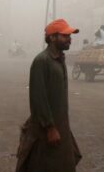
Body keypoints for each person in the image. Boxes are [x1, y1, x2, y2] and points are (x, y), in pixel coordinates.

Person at [16, 19, 82, 172]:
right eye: (65, 36)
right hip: (47, 129)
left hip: (61, 125)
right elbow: (38, 97)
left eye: (69, 36)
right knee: (43, 164)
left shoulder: (59, 59)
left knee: (65, 163)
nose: (69, 39)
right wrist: (50, 127)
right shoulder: (42, 61)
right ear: (52, 37)